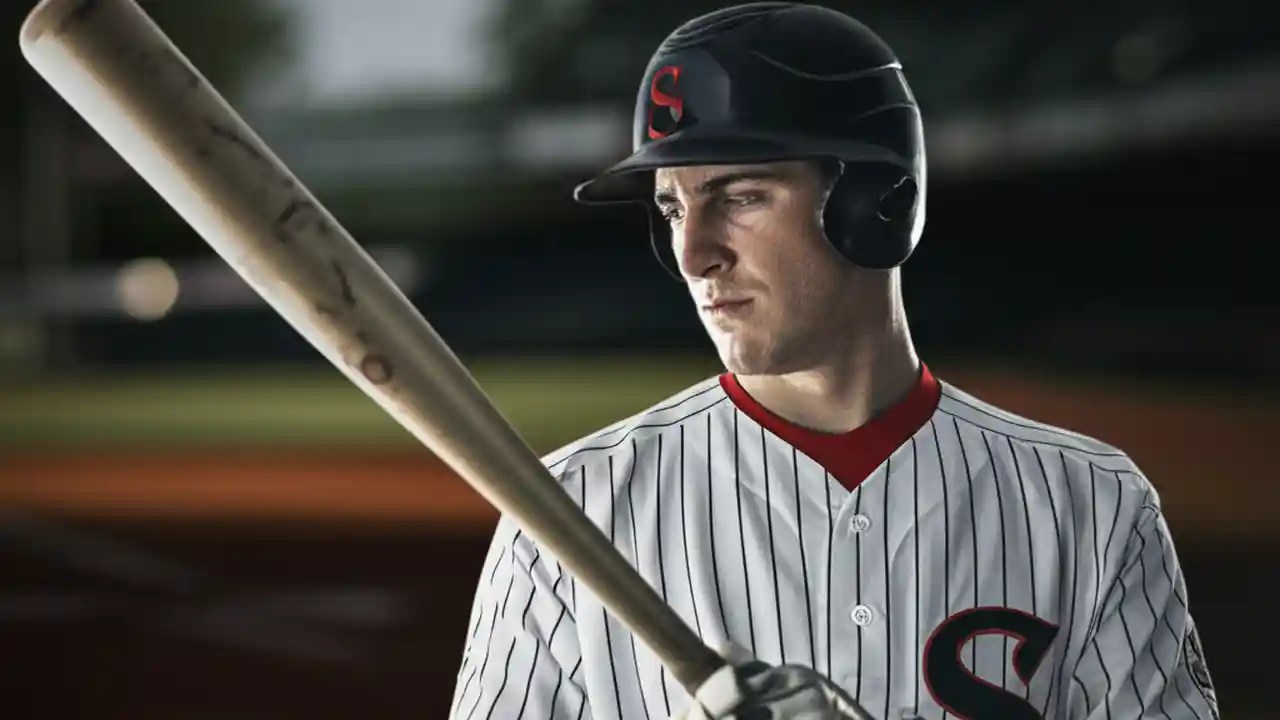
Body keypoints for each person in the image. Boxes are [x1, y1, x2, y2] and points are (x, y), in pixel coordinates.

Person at [448, 3, 1220, 719]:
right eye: (673, 208)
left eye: (739, 196)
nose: (693, 253)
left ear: (876, 203)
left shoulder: (1091, 506)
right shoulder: (569, 513)